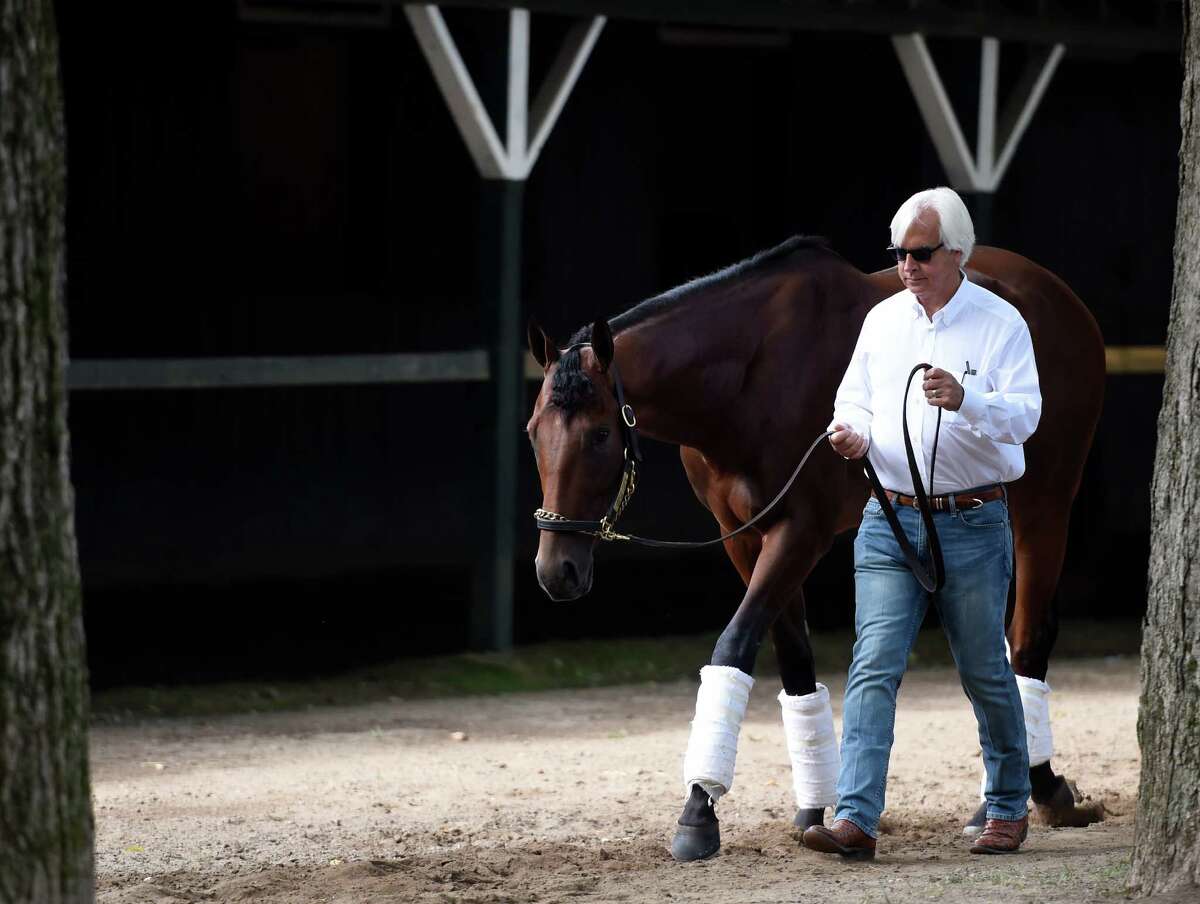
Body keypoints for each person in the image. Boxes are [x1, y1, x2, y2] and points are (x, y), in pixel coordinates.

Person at [803, 187, 1041, 859]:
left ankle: (1006, 805)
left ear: (955, 253)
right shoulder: (881, 322)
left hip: (972, 517)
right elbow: (854, 399)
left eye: (920, 254)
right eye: (900, 254)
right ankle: (856, 820)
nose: (906, 265)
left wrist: (968, 401)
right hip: (888, 516)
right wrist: (849, 431)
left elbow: (1026, 417)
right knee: (873, 662)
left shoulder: (1001, 323)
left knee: (982, 669)